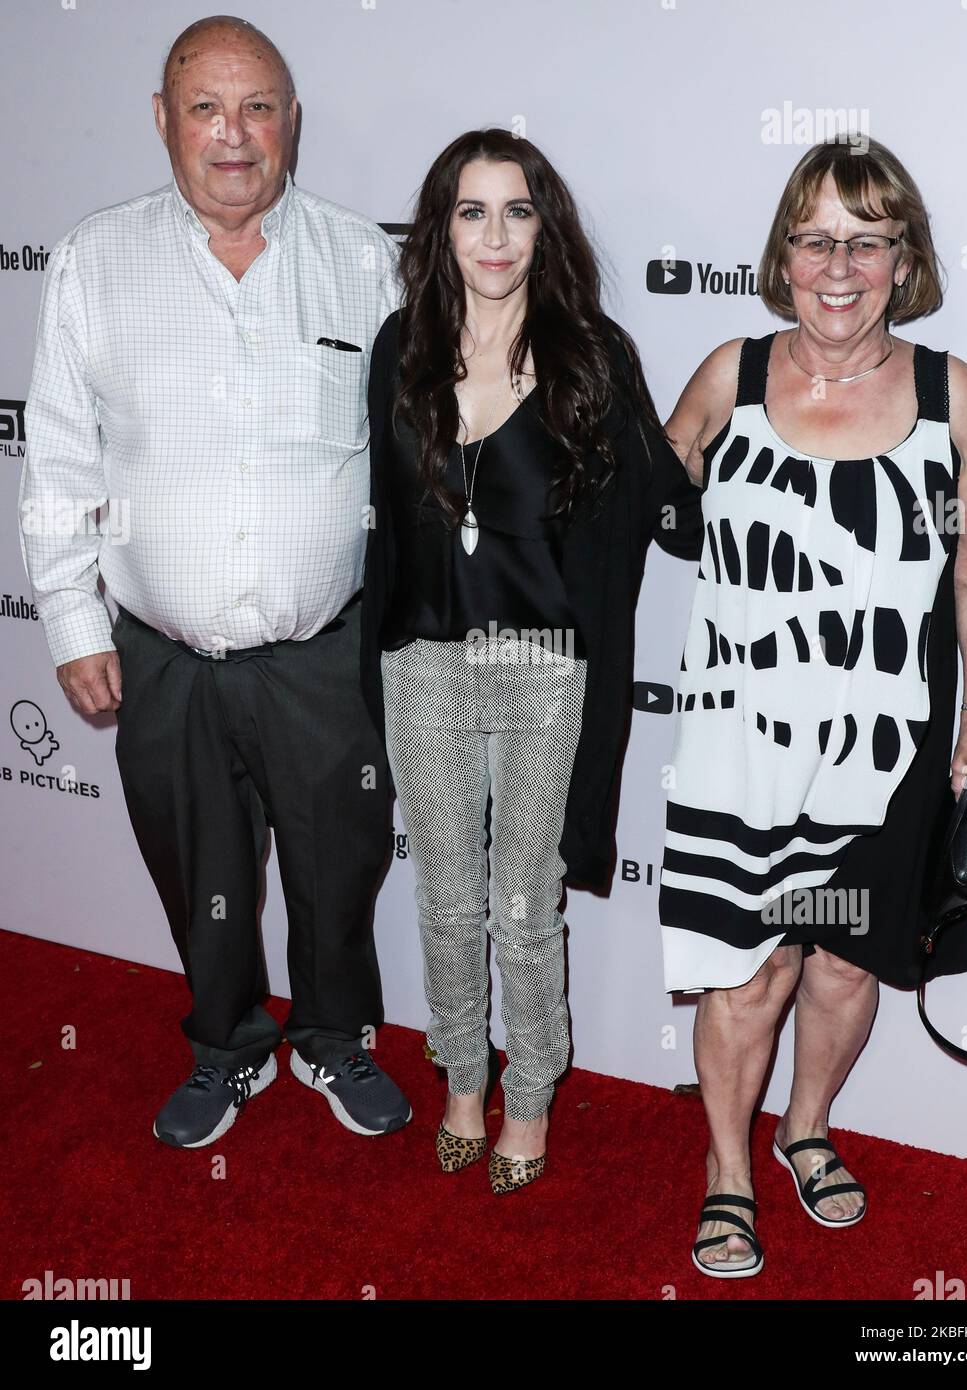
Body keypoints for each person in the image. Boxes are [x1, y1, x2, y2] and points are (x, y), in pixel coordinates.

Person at [18, 15, 411, 1148]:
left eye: (257, 108)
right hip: (162, 655)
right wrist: (74, 619)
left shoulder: (363, 261)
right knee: (203, 873)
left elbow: (414, 450)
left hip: (329, 656)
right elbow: (59, 456)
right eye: (204, 107)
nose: (232, 136)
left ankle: (335, 1037)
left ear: (292, 123)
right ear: (162, 120)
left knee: (341, 867)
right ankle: (227, 1044)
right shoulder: (99, 259)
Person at [659, 137, 967, 1276]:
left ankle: (801, 1127)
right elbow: (644, 494)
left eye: (866, 240)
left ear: (902, 256)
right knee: (743, 970)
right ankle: (726, 1169)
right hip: (733, 745)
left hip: (878, 751)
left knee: (841, 963)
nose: (838, 265)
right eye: (815, 238)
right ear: (782, 252)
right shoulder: (728, 369)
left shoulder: (947, 393)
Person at [361, 128, 703, 1193]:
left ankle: (531, 1090)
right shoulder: (397, 347)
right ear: (441, 227)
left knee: (523, 899)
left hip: (547, 665)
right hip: (422, 659)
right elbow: (384, 522)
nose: (494, 235)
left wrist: (728, 404)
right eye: (471, 211)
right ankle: (462, 1073)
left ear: (543, 227)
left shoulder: (589, 355)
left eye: (517, 211)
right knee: (446, 897)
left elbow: (664, 506)